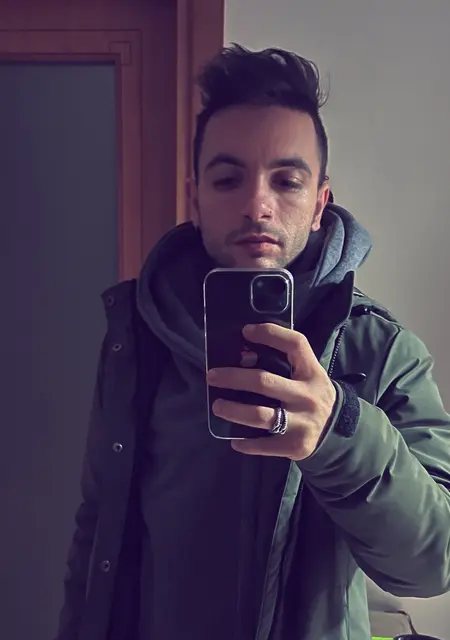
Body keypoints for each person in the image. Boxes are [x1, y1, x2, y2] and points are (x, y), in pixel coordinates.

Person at [55, 45, 450, 640]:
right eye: (228, 179)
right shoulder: (136, 335)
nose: (257, 205)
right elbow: (95, 527)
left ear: (319, 204)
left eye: (286, 181)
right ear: (195, 198)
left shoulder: (380, 350)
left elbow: (432, 563)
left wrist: (338, 432)